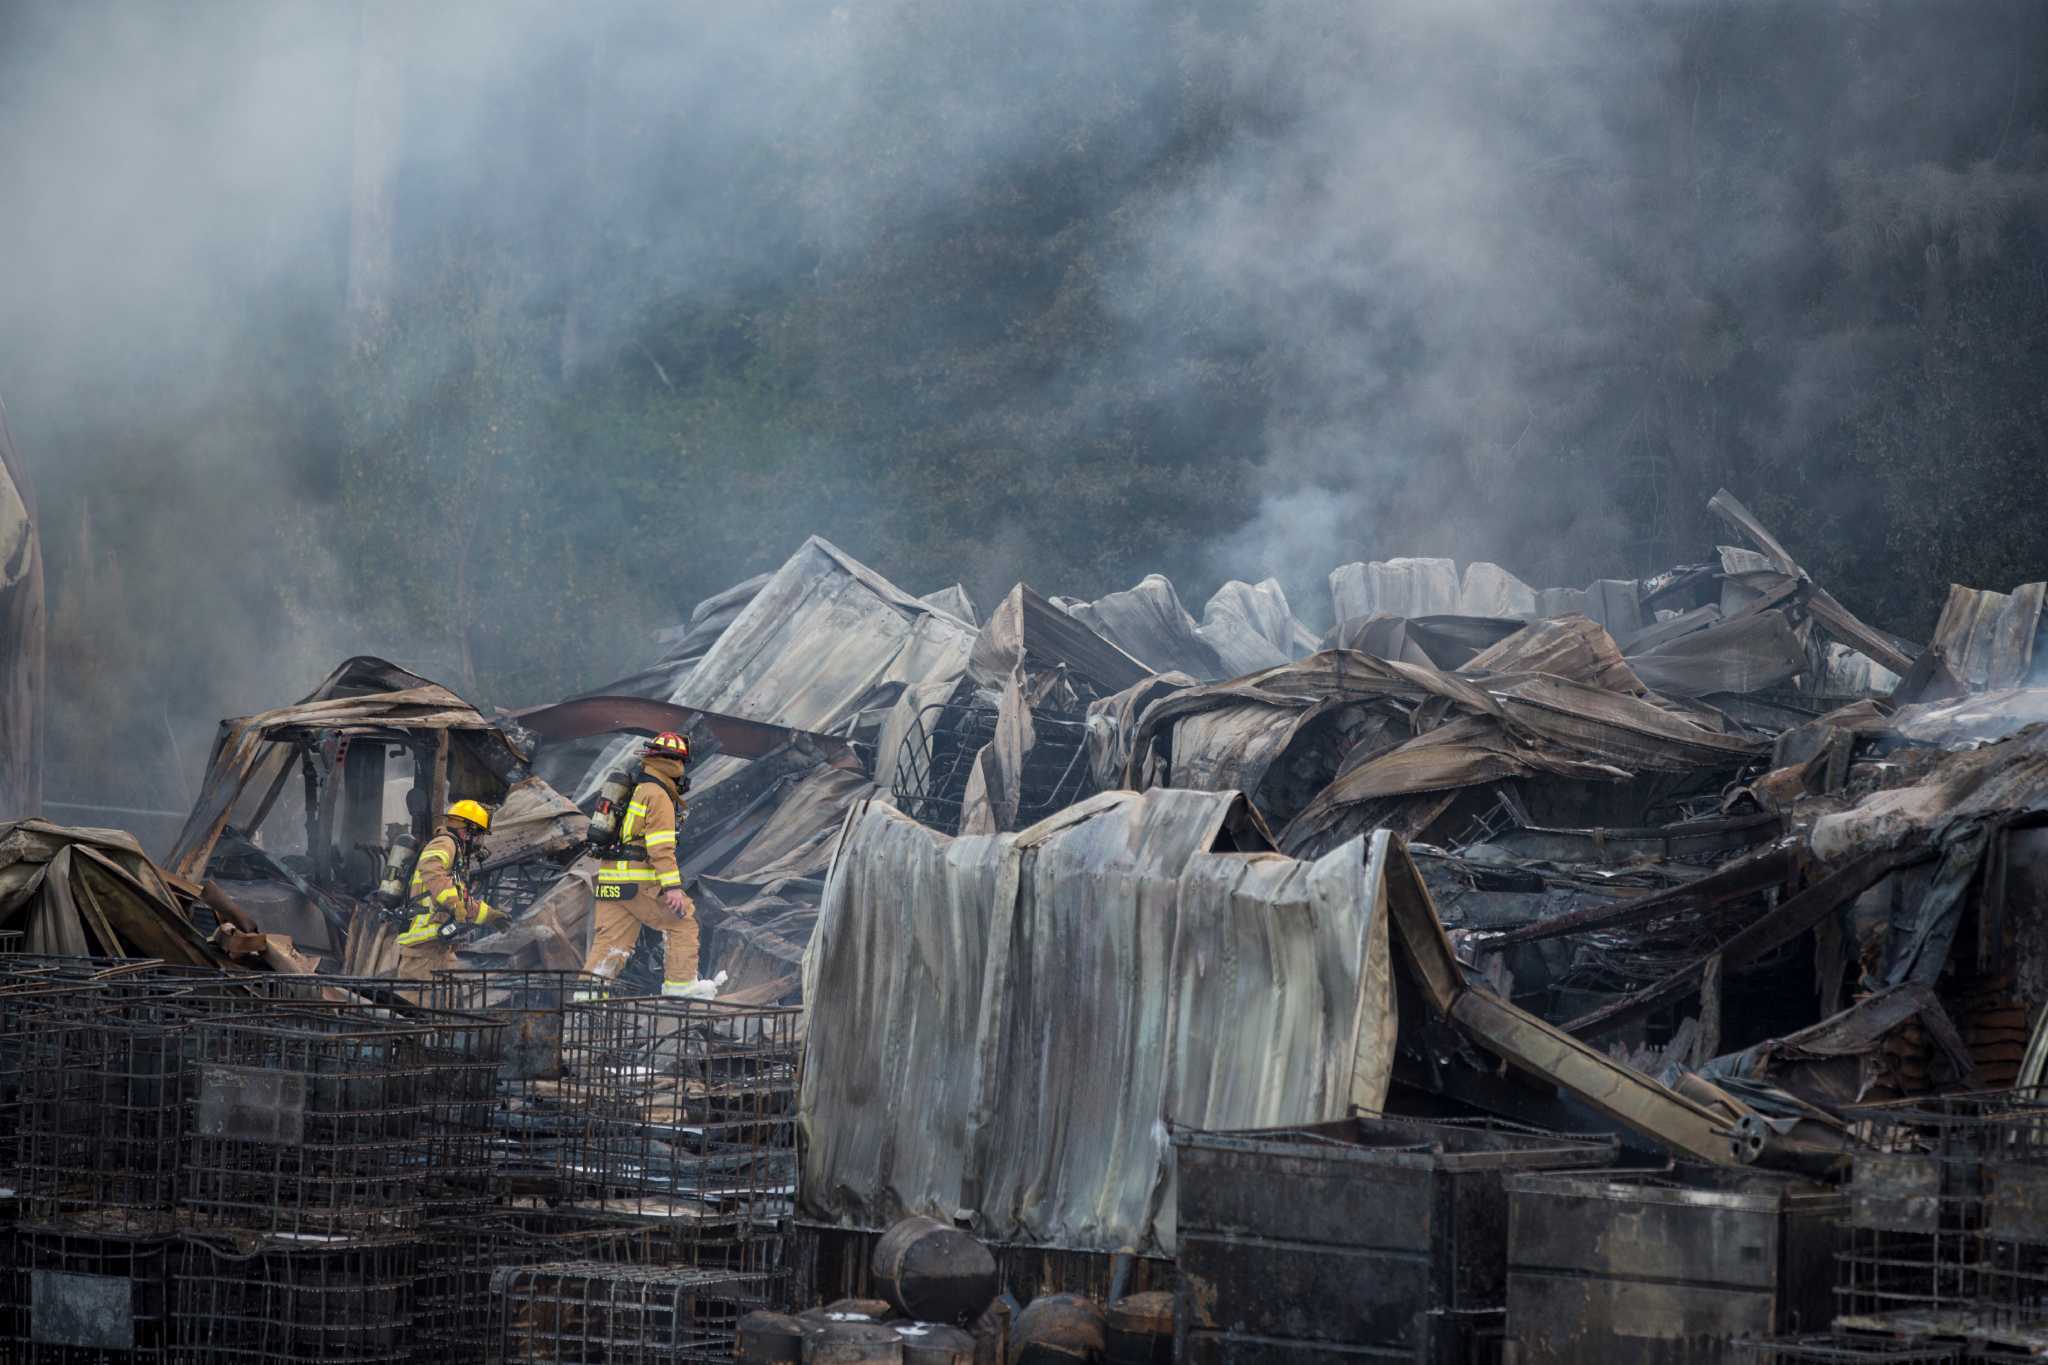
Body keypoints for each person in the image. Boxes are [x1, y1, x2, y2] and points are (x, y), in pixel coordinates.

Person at [582, 731, 719, 997]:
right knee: (682, 922)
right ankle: (681, 988)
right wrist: (672, 888)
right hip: (637, 880)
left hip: (609, 878)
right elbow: (660, 848)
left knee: (610, 944)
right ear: (675, 763)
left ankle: (586, 997)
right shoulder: (658, 795)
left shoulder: (635, 789)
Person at [394, 799, 497, 982]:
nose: (481, 842)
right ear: (468, 832)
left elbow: (461, 899)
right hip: (423, 947)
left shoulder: (455, 853)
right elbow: (431, 870)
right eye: (480, 835)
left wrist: (490, 915)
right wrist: (456, 904)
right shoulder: (445, 843)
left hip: (439, 946)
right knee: (418, 1004)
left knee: (446, 997)